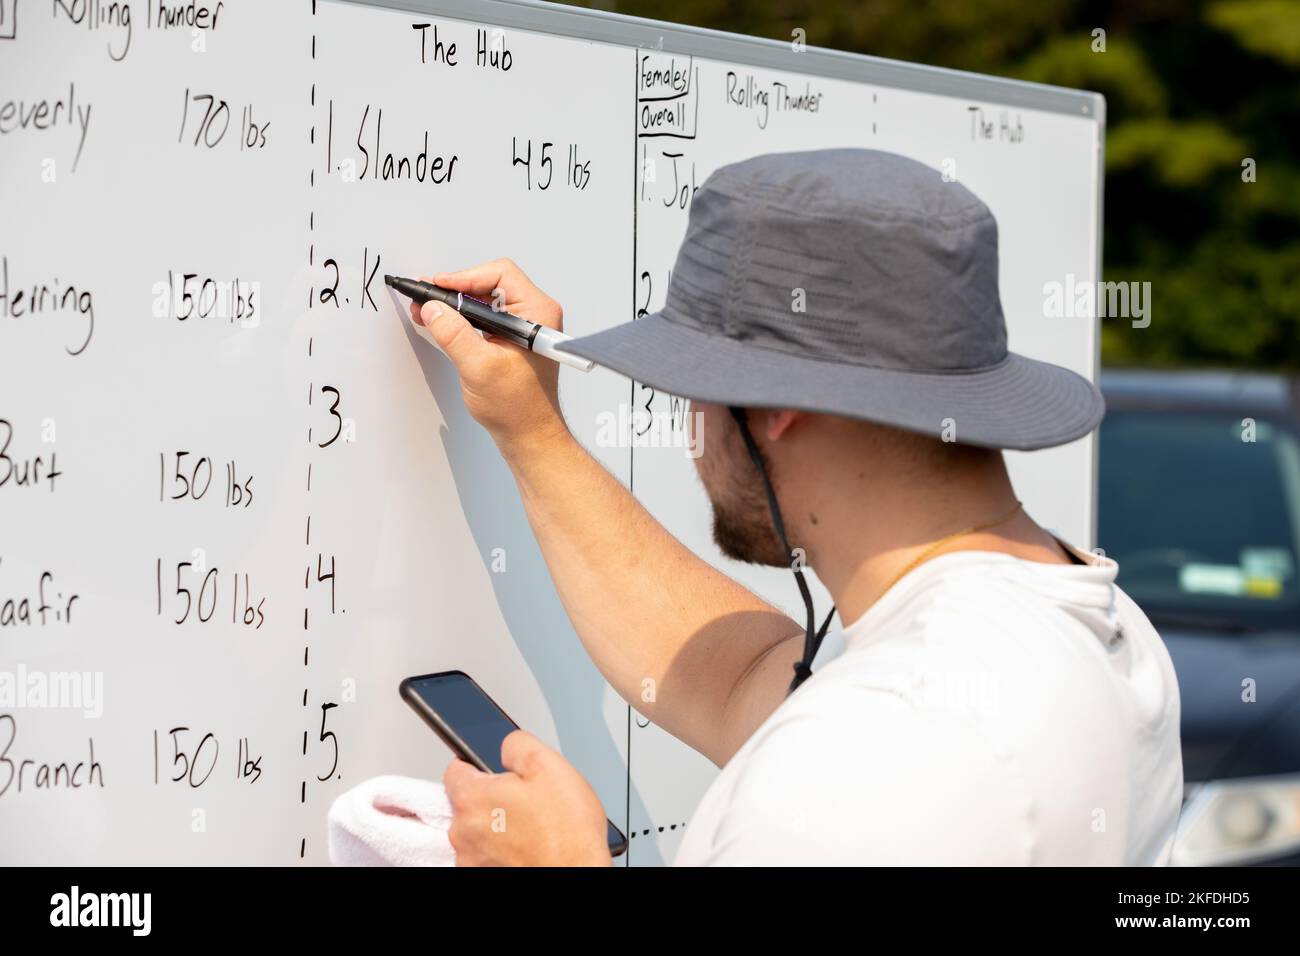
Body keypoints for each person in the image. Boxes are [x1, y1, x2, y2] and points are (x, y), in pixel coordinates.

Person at [418, 150, 1183, 866]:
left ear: (775, 406)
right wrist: (534, 434)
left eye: (694, 388)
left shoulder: (864, 761)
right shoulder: (1093, 631)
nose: (693, 431)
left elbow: (832, 749)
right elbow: (737, 683)